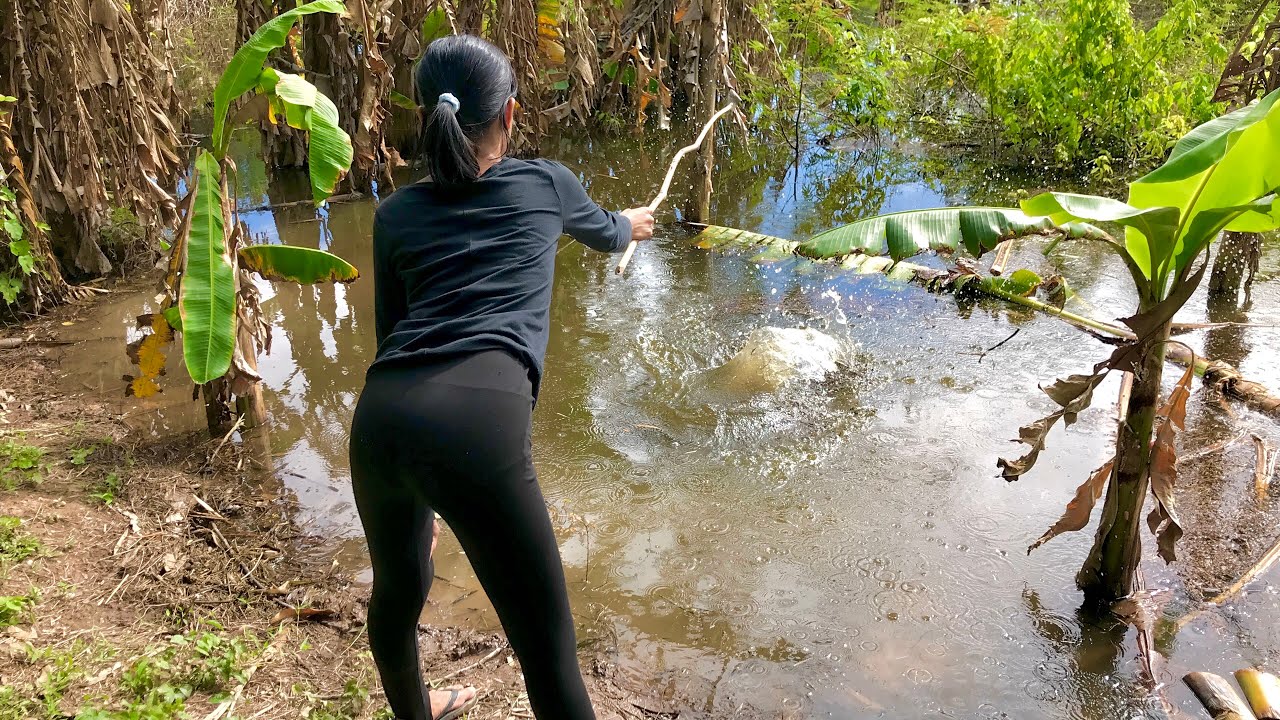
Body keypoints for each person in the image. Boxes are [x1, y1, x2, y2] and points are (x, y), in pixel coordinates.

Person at [347, 34, 655, 720]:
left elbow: (391, 338)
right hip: (475, 428)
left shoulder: (394, 214)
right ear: (510, 114)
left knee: (397, 596)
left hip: (382, 421)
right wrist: (631, 225)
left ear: (426, 114)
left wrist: (420, 494)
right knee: (548, 652)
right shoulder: (546, 184)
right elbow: (605, 231)